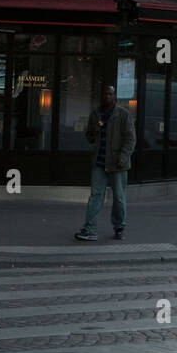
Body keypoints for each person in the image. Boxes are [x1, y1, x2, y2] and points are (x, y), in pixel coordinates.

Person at [76, 85, 136, 241]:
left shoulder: (123, 115)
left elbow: (130, 139)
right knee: (96, 195)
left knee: (119, 196)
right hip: (100, 161)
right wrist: (93, 131)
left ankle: (119, 226)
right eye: (105, 94)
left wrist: (123, 156)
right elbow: (89, 137)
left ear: (115, 96)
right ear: (101, 96)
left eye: (110, 94)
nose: (107, 97)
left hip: (118, 162)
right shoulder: (96, 114)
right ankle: (90, 229)